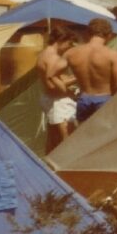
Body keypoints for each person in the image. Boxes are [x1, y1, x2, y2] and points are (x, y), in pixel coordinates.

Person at [62, 18, 117, 124]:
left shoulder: (70, 53)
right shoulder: (113, 55)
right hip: (104, 99)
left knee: (84, 132)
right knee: (105, 133)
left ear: (88, 33)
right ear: (109, 35)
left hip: (83, 99)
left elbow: (53, 76)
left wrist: (67, 91)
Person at [35, 22, 78, 150]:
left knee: (54, 139)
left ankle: (49, 162)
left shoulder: (43, 54)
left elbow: (56, 79)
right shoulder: (53, 57)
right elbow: (52, 83)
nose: (69, 47)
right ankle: (67, 162)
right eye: (69, 43)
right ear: (61, 40)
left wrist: (70, 79)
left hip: (50, 99)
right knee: (68, 139)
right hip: (58, 101)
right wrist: (77, 78)